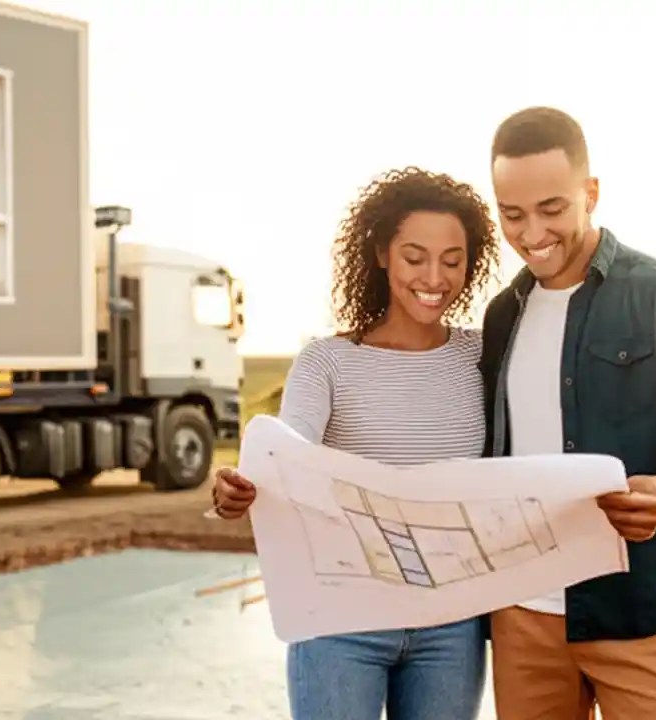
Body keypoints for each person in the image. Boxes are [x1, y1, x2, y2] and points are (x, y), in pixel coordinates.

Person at [479, 106, 656, 719]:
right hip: (523, 623)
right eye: (512, 214)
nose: (531, 233)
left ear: (590, 193)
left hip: (643, 619)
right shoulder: (501, 317)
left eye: (552, 209)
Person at [210, 166, 501, 720]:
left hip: (453, 626)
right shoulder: (328, 362)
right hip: (340, 622)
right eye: (415, 257)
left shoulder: (483, 357)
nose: (435, 277)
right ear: (381, 252)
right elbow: (283, 457)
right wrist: (237, 487)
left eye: (453, 259)